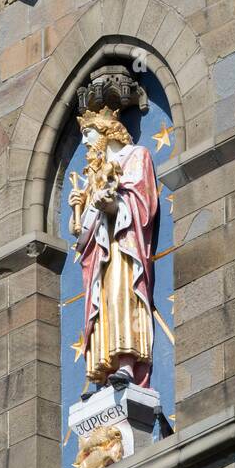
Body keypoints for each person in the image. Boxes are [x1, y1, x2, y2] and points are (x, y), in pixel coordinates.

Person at [68, 107, 158, 388]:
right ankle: (105, 372)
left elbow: (143, 204)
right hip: (99, 257)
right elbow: (81, 236)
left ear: (107, 130)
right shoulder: (92, 177)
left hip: (123, 246)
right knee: (103, 305)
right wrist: (80, 209)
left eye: (87, 133)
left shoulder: (136, 155)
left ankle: (127, 365)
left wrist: (111, 203)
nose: (84, 142)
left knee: (122, 297)